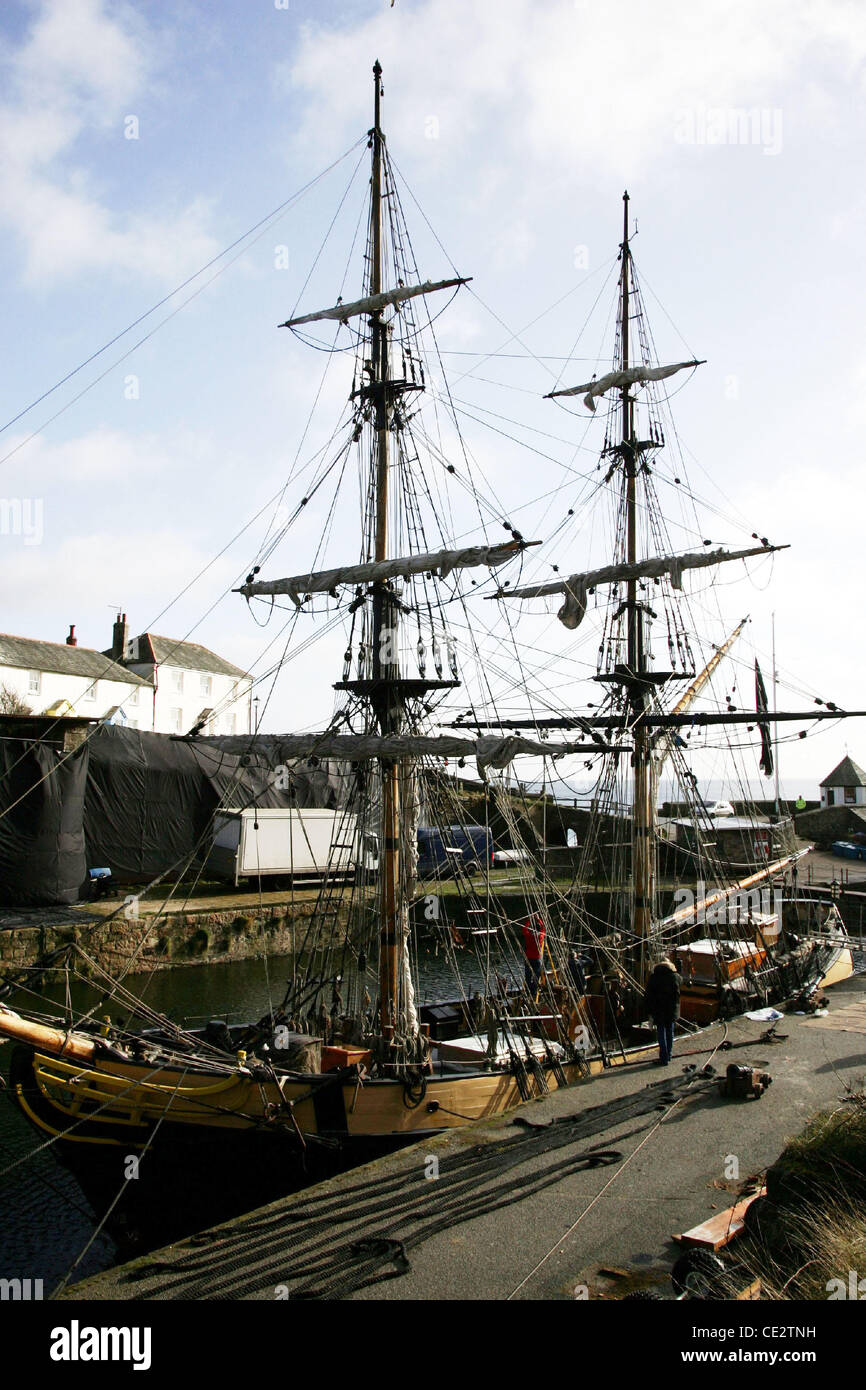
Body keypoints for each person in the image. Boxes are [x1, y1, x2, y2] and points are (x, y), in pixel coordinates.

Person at [643, 959, 681, 1066]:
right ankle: (668, 1055)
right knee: (670, 1032)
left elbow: (649, 995)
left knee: (661, 1033)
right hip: (671, 1009)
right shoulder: (675, 977)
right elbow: (682, 982)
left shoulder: (654, 977)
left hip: (659, 1009)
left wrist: (649, 1010)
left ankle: (663, 1057)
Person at [521, 913, 546, 995]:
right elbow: (543, 929)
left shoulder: (528, 936)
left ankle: (528, 990)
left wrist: (529, 920)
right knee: (536, 976)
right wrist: (538, 919)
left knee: (528, 976)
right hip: (537, 958)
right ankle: (534, 991)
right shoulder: (541, 937)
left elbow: (524, 930)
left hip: (528, 958)